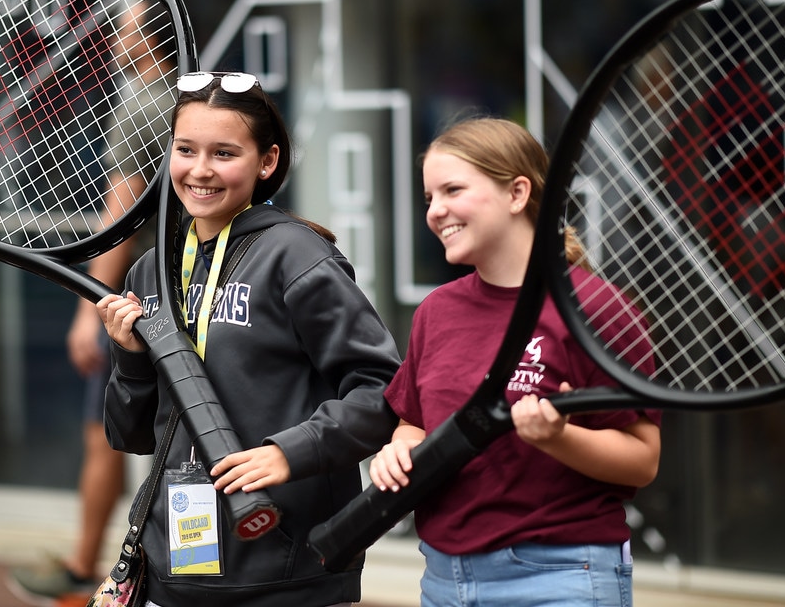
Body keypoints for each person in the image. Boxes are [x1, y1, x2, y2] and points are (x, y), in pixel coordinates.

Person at [97, 71, 401, 607]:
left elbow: (383, 393)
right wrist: (131, 360)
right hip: (176, 574)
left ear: (267, 162)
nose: (200, 170)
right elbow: (133, 436)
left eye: (224, 153)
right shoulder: (151, 272)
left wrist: (290, 452)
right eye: (185, 149)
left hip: (289, 575)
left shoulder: (298, 257)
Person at [368, 117, 662, 607]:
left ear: (517, 193)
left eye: (453, 190)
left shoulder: (597, 308)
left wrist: (559, 437)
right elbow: (413, 423)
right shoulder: (437, 312)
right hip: (443, 577)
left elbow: (642, 460)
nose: (436, 212)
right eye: (429, 198)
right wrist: (398, 450)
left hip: (560, 575)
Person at [8, 2, 177, 604]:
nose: (111, 39)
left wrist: (89, 310)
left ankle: (89, 569)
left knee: (103, 433)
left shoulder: (144, 102)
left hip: (134, 304)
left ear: (149, 36)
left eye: (125, 27)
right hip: (189, 298)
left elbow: (117, 219)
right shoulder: (197, 102)